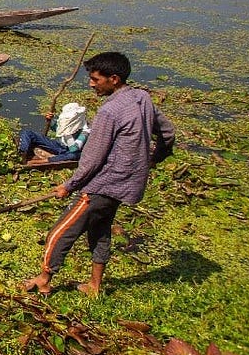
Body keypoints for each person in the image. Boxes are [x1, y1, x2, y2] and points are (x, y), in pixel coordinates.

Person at [21, 52, 176, 299]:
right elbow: (167, 133)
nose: (91, 84)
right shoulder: (142, 98)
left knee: (60, 232)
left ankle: (44, 280)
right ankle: (95, 286)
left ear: (113, 79)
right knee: (100, 231)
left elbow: (92, 159)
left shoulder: (110, 111)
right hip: (126, 186)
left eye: (95, 79)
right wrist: (152, 160)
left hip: (103, 186)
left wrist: (69, 185)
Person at [18, 102, 90, 164]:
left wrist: (68, 135)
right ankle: (22, 154)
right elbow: (57, 129)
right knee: (28, 133)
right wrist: (50, 119)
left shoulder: (85, 131)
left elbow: (74, 149)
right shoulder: (68, 124)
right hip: (58, 145)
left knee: (74, 155)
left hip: (68, 151)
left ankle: (45, 161)